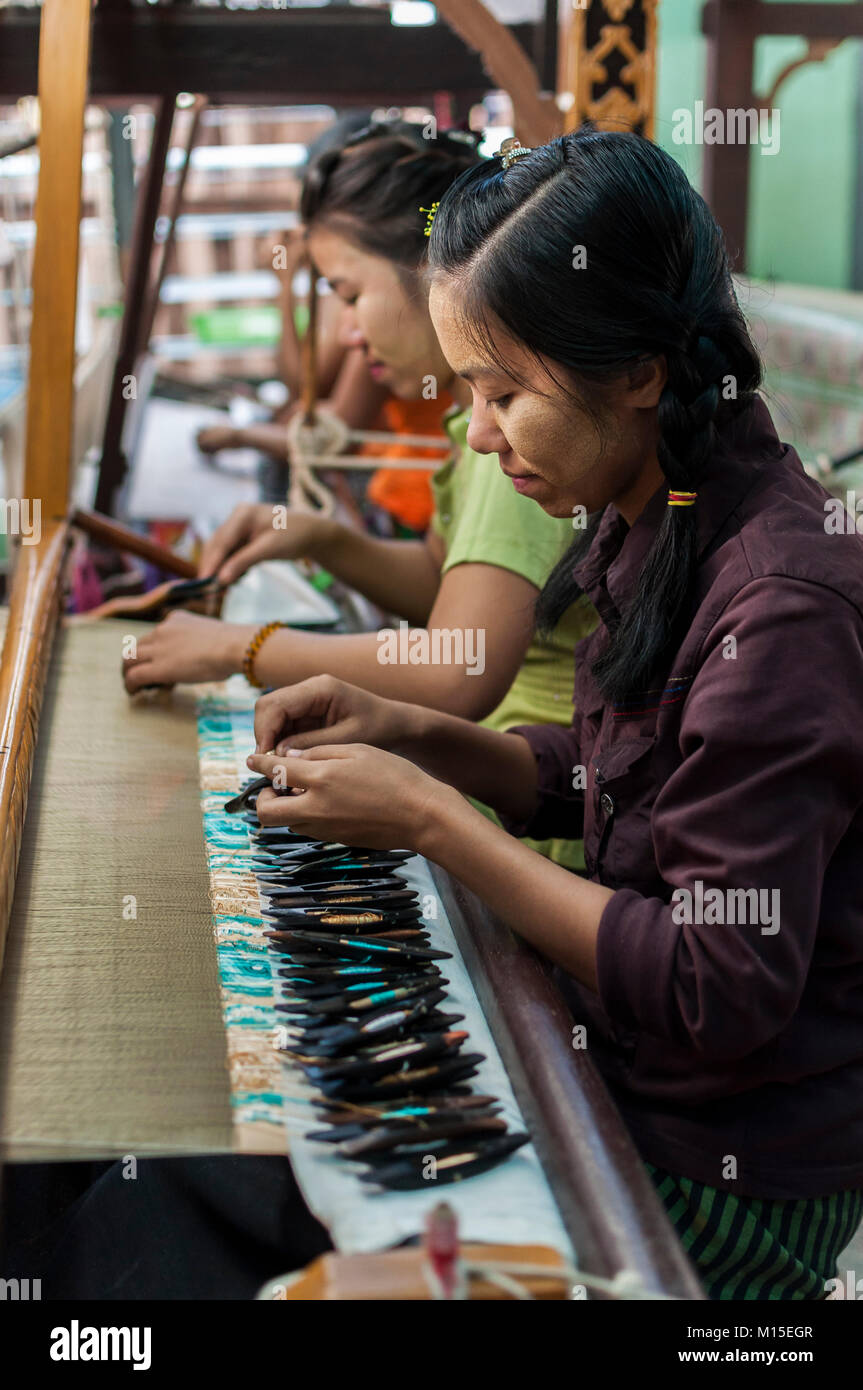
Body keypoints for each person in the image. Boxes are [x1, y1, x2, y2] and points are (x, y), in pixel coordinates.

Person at [241, 128, 863, 1300]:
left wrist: (434, 821)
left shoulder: (779, 604)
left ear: (635, 369)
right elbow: (619, 777)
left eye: (501, 392)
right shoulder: (652, 508)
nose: (475, 433)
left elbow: (714, 979)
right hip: (627, 1071)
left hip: (724, 1178)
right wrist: (412, 731)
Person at [124, 122, 597, 869]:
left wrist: (237, 647)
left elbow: (455, 668)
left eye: (348, 295)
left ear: (428, 268)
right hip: (515, 796)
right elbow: (451, 581)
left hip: (530, 829)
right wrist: (322, 537)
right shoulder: (481, 421)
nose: (345, 334)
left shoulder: (517, 442)